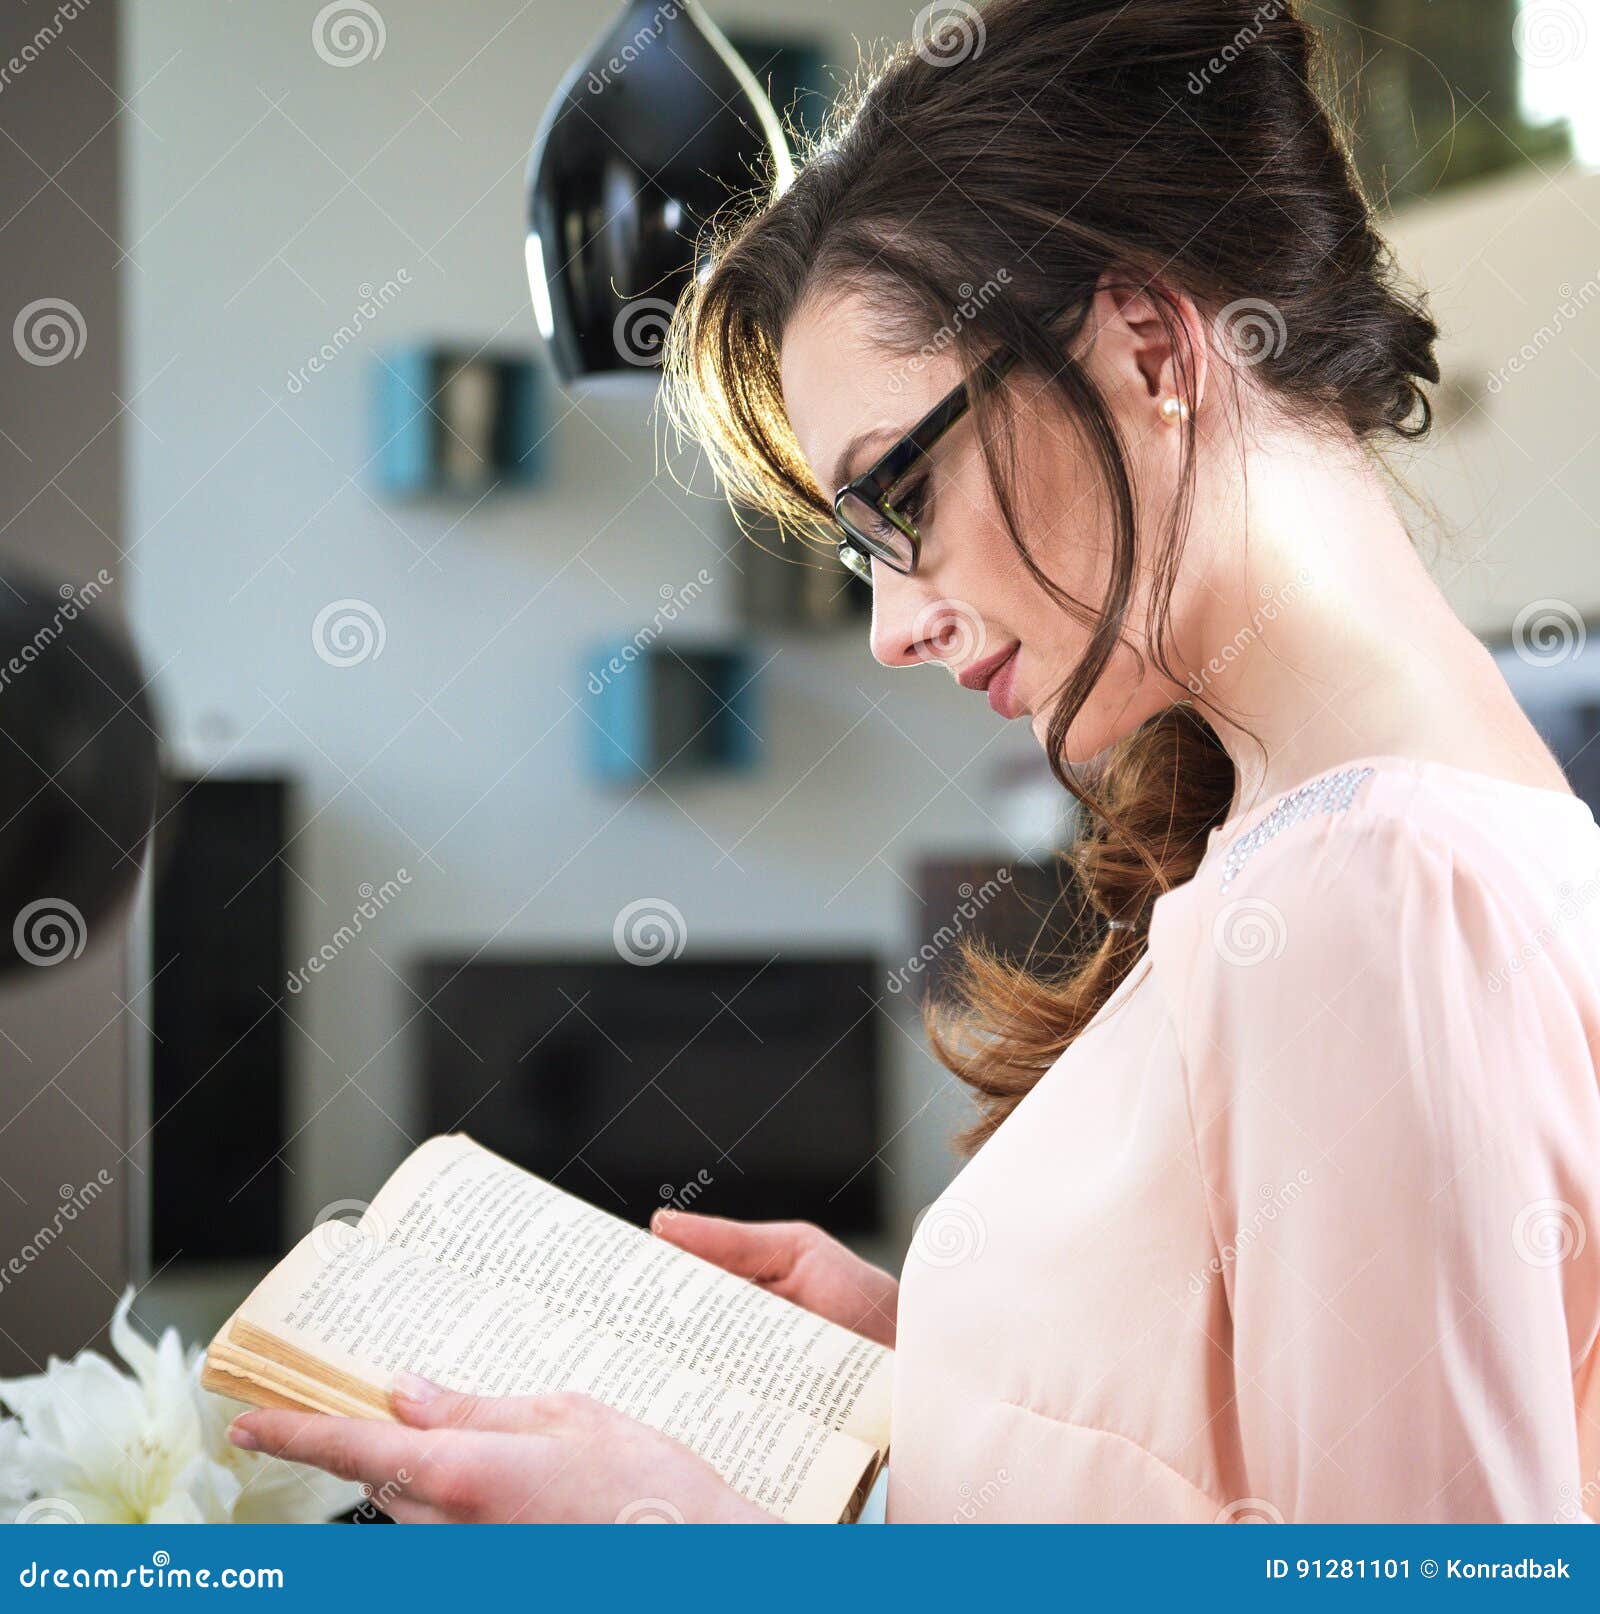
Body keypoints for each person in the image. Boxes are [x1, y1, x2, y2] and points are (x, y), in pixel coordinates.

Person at [230, 0, 1600, 1522]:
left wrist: (704, 1546)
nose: (889, 629)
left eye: (901, 501)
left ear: (1150, 346)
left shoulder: (1370, 891)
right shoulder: (1367, 842)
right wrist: (948, 1371)